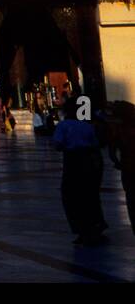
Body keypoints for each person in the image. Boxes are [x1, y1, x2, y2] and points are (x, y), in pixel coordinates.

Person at [52, 98, 107, 245]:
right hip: (88, 161)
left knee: (72, 196)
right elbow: (95, 144)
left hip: (72, 161)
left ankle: (82, 230)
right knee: (90, 195)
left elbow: (57, 144)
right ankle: (95, 225)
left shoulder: (63, 126)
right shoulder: (86, 126)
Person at [106, 101, 135, 237]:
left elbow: (112, 152)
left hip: (128, 170)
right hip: (128, 169)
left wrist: (118, 163)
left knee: (131, 201)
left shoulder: (119, 131)